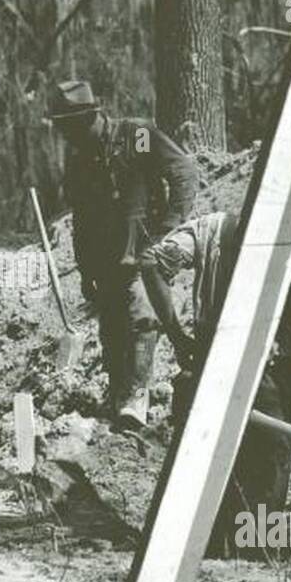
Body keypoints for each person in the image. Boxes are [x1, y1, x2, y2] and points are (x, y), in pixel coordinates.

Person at [141, 182, 291, 555]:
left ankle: (198, 541)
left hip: (205, 363)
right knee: (265, 466)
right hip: (269, 381)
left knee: (199, 458)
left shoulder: (212, 228)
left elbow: (153, 261)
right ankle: (249, 547)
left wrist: (176, 335)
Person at [48, 79, 199, 429]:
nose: (67, 136)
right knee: (112, 327)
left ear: (91, 118)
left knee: (143, 318)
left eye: (71, 128)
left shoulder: (137, 136)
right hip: (106, 259)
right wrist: (86, 272)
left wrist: (172, 227)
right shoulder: (79, 162)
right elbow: (82, 221)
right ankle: (117, 395)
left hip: (143, 251)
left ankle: (137, 396)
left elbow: (182, 171)